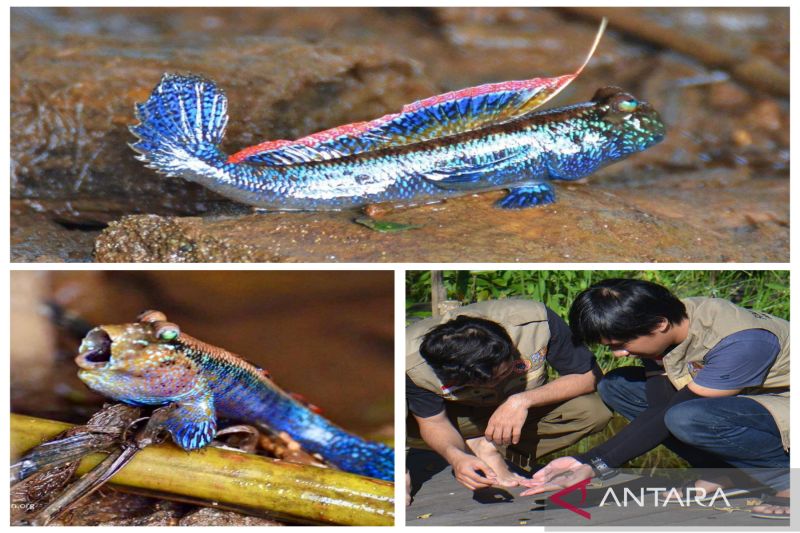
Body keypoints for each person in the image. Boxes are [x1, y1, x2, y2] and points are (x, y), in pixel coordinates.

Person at [520, 279, 790, 520]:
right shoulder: (658, 322)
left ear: (660, 324)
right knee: (617, 386)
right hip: (747, 396)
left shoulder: (742, 342)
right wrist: (586, 462)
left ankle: (787, 480)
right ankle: (725, 472)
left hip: (786, 400)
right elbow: (660, 407)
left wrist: (593, 463)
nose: (618, 354)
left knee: (687, 416)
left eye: (620, 345)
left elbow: (674, 411)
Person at [406, 298, 612, 497]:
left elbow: (589, 376)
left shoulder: (536, 322)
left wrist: (521, 401)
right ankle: (463, 449)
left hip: (513, 411)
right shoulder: (407, 360)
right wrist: (456, 457)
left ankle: (491, 448)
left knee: (593, 410)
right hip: (448, 421)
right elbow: (433, 421)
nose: (493, 385)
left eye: (503, 375)